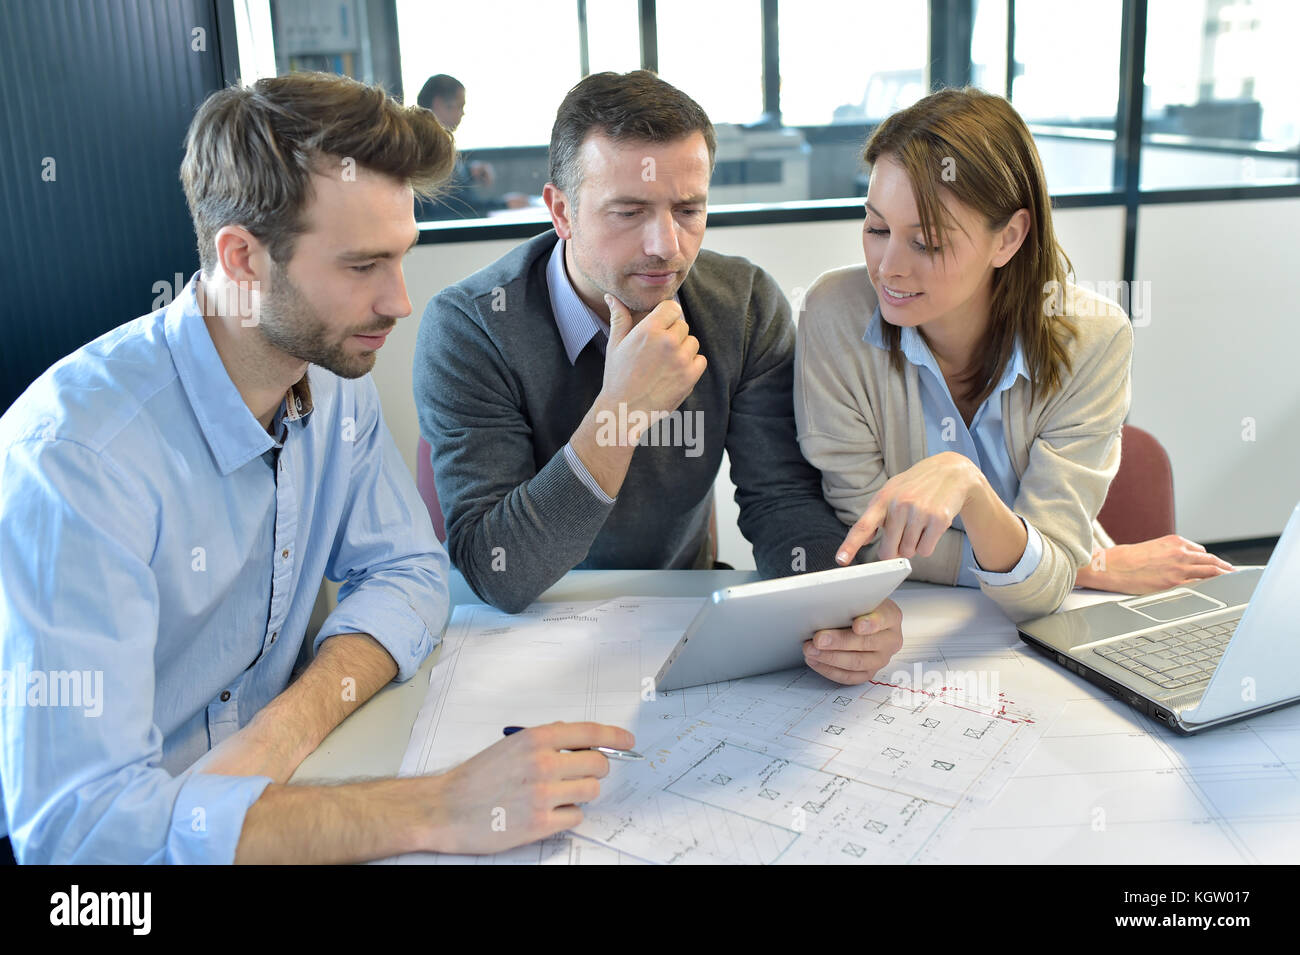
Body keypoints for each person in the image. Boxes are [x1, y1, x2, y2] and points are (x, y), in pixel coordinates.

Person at [0, 71, 630, 865]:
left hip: (284, 788)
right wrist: (436, 805)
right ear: (241, 258)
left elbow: (408, 573)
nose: (400, 301)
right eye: (362, 266)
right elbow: (83, 840)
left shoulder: (328, 378)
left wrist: (283, 730)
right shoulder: (73, 464)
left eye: (401, 257)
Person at [414, 70, 902, 685]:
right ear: (561, 211)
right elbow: (498, 572)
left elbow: (780, 501)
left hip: (679, 619)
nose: (666, 246)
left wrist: (841, 607)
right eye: (629, 211)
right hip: (516, 640)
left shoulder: (744, 304)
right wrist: (620, 410)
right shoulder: (470, 328)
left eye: (689, 210)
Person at [795, 87, 1232, 624]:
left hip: (1046, 622)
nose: (887, 268)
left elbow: (1043, 589)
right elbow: (864, 540)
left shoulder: (1092, 340)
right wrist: (1079, 565)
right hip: (912, 622)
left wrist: (971, 489)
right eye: (877, 228)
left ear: (1009, 237)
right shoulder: (833, 314)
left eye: (927, 243)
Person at [414, 73, 530, 220]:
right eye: (459, 106)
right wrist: (503, 205)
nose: (462, 113)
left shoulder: (432, 141)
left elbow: (449, 186)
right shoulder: (427, 146)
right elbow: (455, 207)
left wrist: (469, 170)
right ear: (438, 104)